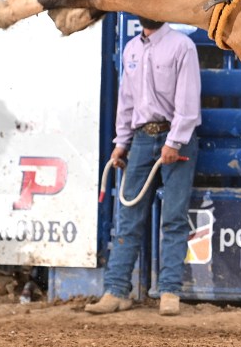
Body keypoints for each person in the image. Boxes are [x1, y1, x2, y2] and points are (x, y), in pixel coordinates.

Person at [86, 17, 201, 317]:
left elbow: (188, 101)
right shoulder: (132, 49)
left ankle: (169, 291)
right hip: (141, 138)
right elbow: (127, 100)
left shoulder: (182, 46)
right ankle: (116, 290)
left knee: (173, 217)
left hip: (177, 139)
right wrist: (121, 143)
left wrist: (174, 142)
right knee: (128, 218)